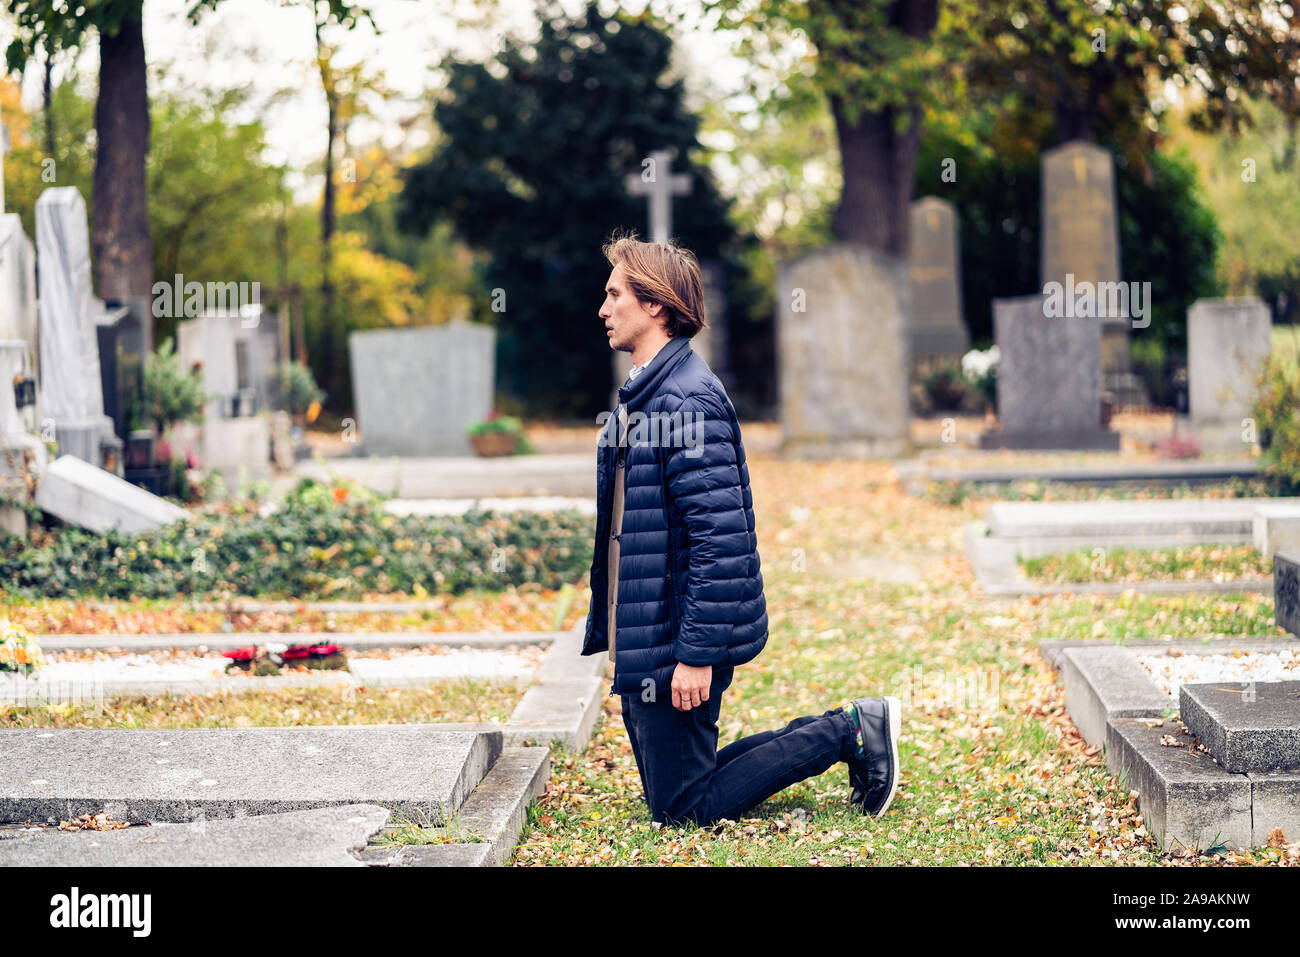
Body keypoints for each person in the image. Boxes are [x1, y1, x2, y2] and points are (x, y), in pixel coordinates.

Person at [581, 230, 902, 827]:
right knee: (680, 794)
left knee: (684, 810)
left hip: (675, 637)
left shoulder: (687, 402)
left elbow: (722, 545)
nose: (602, 309)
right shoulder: (645, 396)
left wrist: (695, 655)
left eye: (614, 294)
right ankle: (846, 727)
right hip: (648, 633)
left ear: (654, 304)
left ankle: (847, 731)